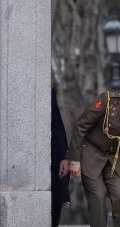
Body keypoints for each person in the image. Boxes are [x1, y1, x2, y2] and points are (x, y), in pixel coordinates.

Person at [69, 81, 120, 227]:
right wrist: (74, 159)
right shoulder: (109, 99)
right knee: (97, 197)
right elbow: (81, 126)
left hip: (115, 157)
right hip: (92, 153)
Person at [52, 85, 72, 227]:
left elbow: (57, 124)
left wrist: (64, 156)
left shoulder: (48, 90)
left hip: (52, 154)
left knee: (55, 200)